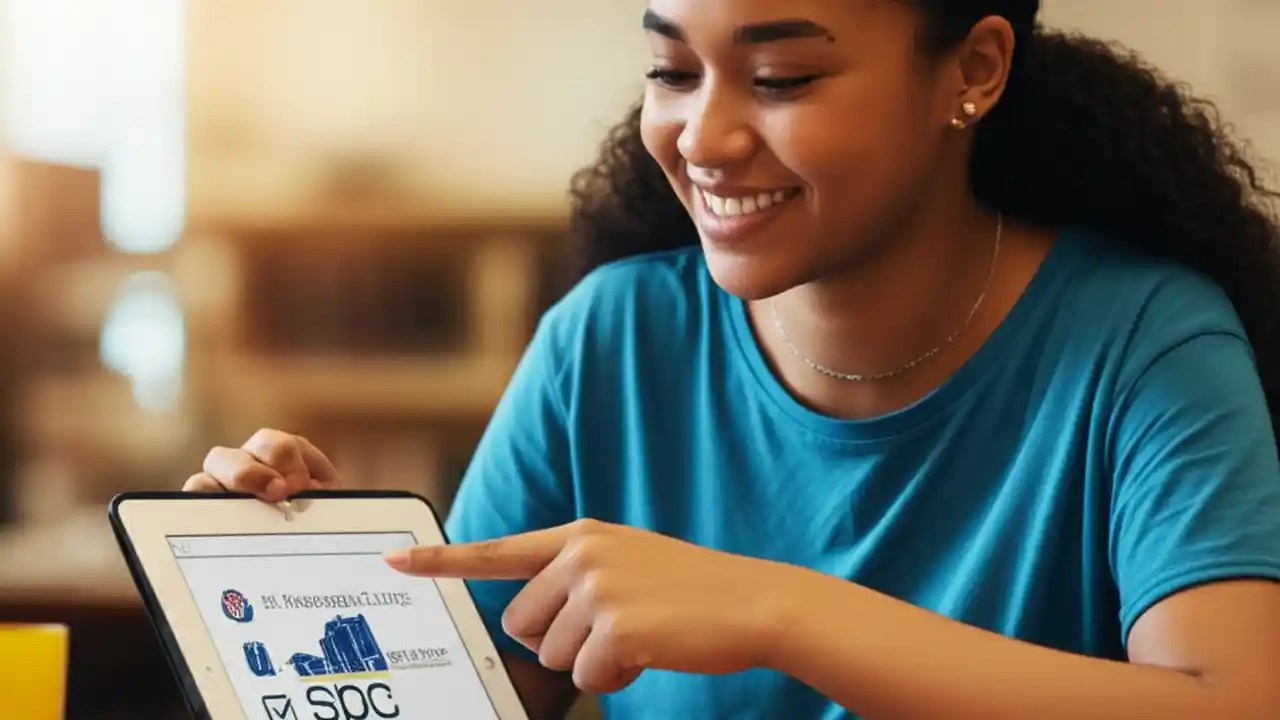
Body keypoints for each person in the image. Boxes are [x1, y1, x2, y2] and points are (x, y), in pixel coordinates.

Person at [184, 1, 1280, 718]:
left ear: (974, 70)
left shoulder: (1145, 341)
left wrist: (777, 612)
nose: (700, 138)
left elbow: (1228, 703)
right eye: (671, 70)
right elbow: (457, 701)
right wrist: (293, 591)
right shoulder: (604, 340)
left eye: (782, 79)